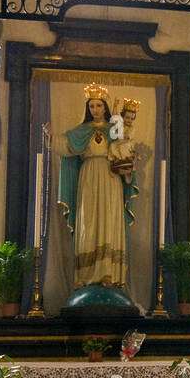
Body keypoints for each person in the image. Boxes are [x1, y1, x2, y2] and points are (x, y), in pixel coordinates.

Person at [45, 88, 140, 290]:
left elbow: (125, 147)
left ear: (105, 107)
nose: (95, 110)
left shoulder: (114, 128)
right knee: (88, 223)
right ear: (88, 108)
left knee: (109, 220)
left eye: (98, 105)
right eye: (91, 106)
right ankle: (85, 275)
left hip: (110, 178)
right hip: (88, 178)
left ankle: (109, 273)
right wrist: (51, 138)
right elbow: (65, 145)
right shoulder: (81, 130)